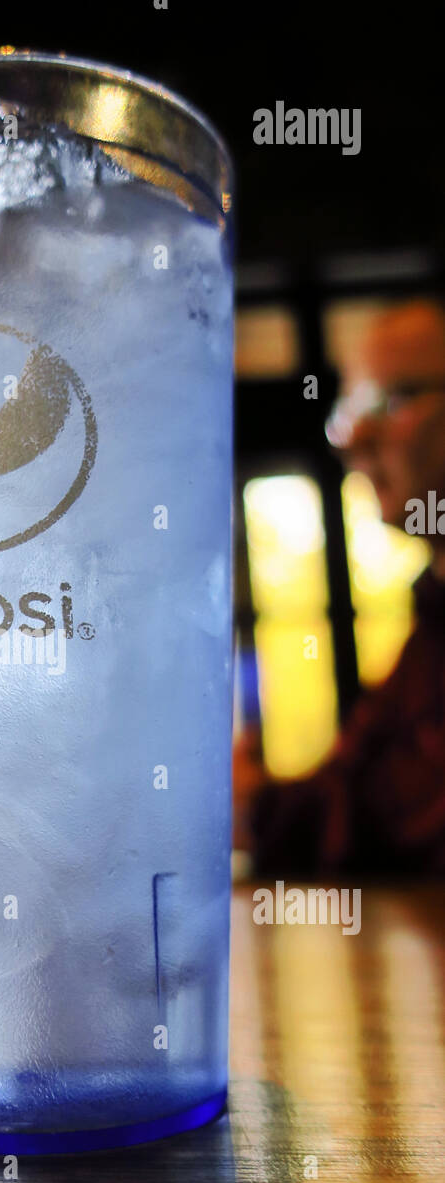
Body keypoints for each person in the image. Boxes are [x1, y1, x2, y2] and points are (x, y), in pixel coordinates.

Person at [235, 297, 445, 877]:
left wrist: (253, 810)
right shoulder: (432, 609)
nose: (356, 438)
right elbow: (362, 780)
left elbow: (405, 821)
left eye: (393, 400)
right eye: (349, 409)